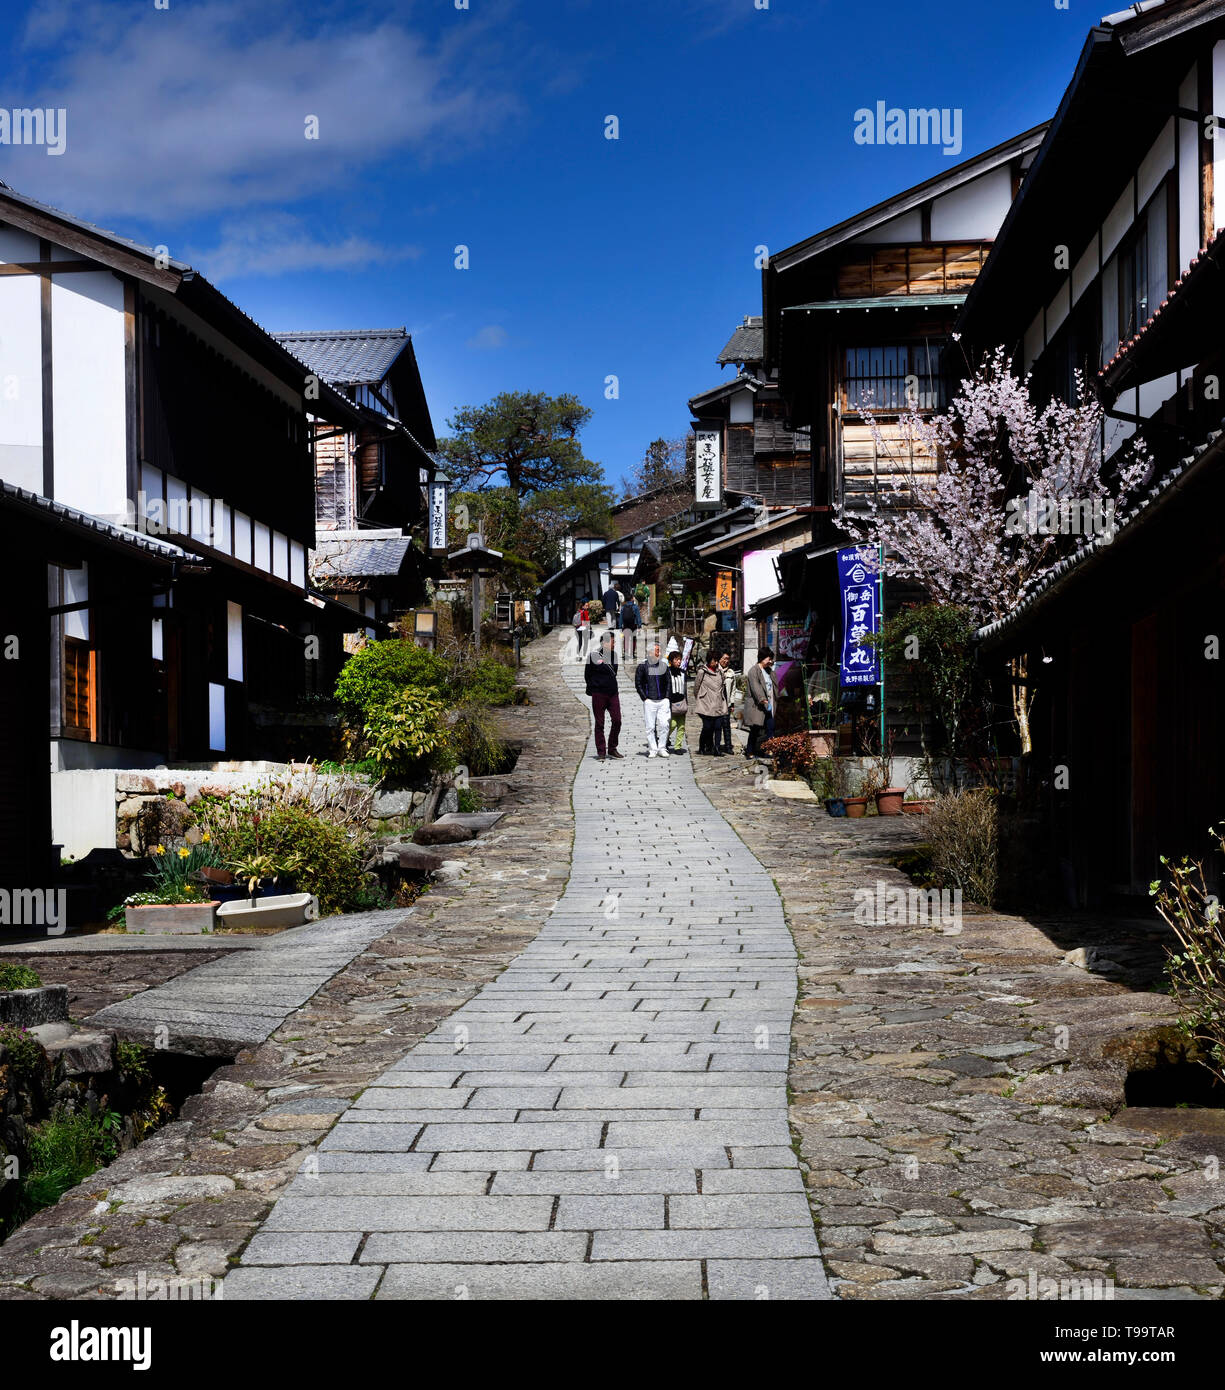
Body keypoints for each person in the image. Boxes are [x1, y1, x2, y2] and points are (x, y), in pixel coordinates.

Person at [584, 634, 623, 761]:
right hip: (599, 693)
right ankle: (601, 751)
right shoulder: (593, 656)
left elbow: (614, 672)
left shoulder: (614, 655)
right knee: (600, 723)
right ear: (604, 643)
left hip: (612, 693)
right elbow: (587, 674)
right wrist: (594, 688)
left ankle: (612, 748)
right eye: (612, 642)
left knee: (617, 720)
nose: (614, 644)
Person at [634, 641, 671, 758]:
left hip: (663, 700)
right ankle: (653, 749)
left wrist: (667, 697)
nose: (659, 653)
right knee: (650, 726)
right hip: (649, 700)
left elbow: (669, 682)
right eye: (657, 651)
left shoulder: (663, 666)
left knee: (665, 724)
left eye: (659, 651)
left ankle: (662, 747)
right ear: (650, 653)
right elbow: (638, 683)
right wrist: (644, 698)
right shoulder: (642, 667)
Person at [743, 646, 777, 758]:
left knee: (770, 728)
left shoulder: (769, 671)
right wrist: (763, 699)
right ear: (762, 658)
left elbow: (775, 686)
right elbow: (755, 687)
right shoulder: (754, 671)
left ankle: (769, 751)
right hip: (757, 705)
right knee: (755, 729)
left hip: (769, 704)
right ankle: (750, 751)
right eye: (769, 659)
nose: (770, 661)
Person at [693, 650, 727, 755]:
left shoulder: (720, 672)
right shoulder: (702, 672)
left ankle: (716, 748)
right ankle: (702, 747)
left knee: (718, 727)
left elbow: (723, 687)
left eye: (717, 661)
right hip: (706, 704)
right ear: (709, 660)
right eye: (714, 660)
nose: (716, 663)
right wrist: (700, 699)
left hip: (718, 703)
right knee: (707, 727)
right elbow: (696, 688)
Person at [664, 650, 688, 754]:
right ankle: (663, 741)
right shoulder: (667, 672)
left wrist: (686, 701)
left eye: (680, 659)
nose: (678, 662)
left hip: (681, 702)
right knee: (672, 724)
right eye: (676, 659)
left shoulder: (683, 673)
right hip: (671, 703)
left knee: (681, 726)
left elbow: (685, 688)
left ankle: (678, 747)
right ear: (671, 661)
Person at [717, 651, 737, 755]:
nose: (726, 661)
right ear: (719, 659)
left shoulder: (731, 672)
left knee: (726, 725)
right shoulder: (715, 670)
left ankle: (728, 746)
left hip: (727, 703)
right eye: (724, 658)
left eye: (728, 659)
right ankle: (715, 746)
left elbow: (734, 689)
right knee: (716, 726)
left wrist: (732, 703)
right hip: (716, 704)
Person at [619, 594, 641, 660]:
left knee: (626, 639)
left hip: (625, 625)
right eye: (633, 598)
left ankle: (625, 654)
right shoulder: (635, 607)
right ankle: (632, 654)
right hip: (633, 625)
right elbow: (638, 617)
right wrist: (639, 625)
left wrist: (620, 626)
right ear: (631, 599)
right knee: (633, 639)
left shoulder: (623, 607)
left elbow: (621, 617)